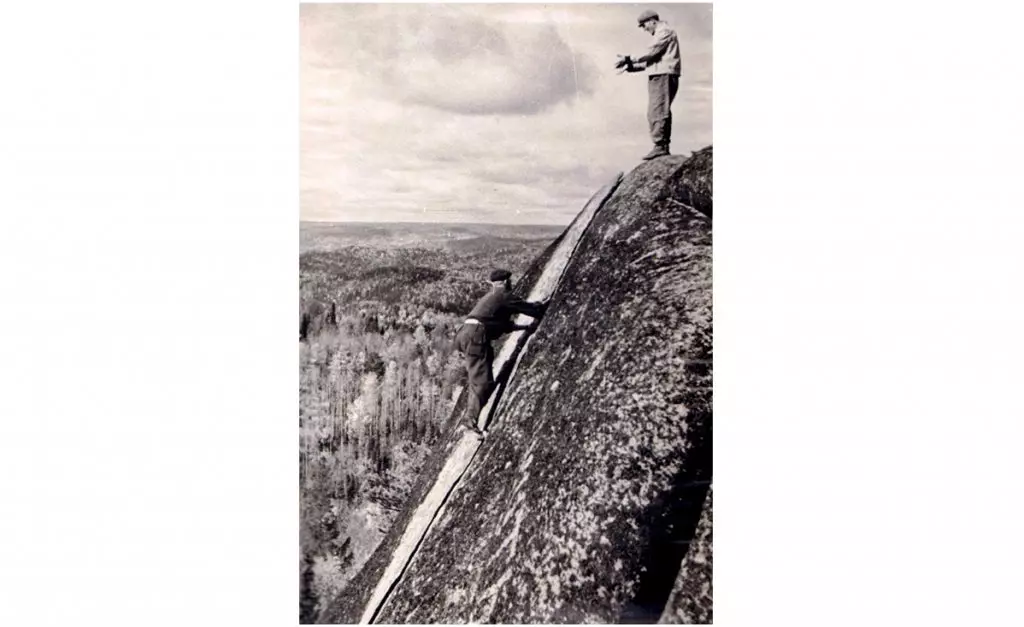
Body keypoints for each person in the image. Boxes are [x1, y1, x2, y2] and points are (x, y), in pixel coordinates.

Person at [454, 269, 547, 431]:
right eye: (509, 281)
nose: (511, 283)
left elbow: (500, 325)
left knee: (485, 378)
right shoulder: (503, 295)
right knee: (481, 382)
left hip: (466, 334)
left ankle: (472, 416)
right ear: (504, 282)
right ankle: (469, 421)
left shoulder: (491, 298)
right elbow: (531, 309)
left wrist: (524, 327)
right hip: (476, 336)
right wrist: (541, 307)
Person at [615, 9, 682, 160]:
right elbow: (652, 61)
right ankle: (661, 145)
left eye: (644, 25)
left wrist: (628, 59)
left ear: (652, 21)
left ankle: (660, 146)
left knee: (657, 110)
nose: (644, 29)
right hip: (660, 74)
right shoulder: (661, 33)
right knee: (658, 110)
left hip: (663, 75)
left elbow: (651, 52)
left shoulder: (665, 31)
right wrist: (631, 67)